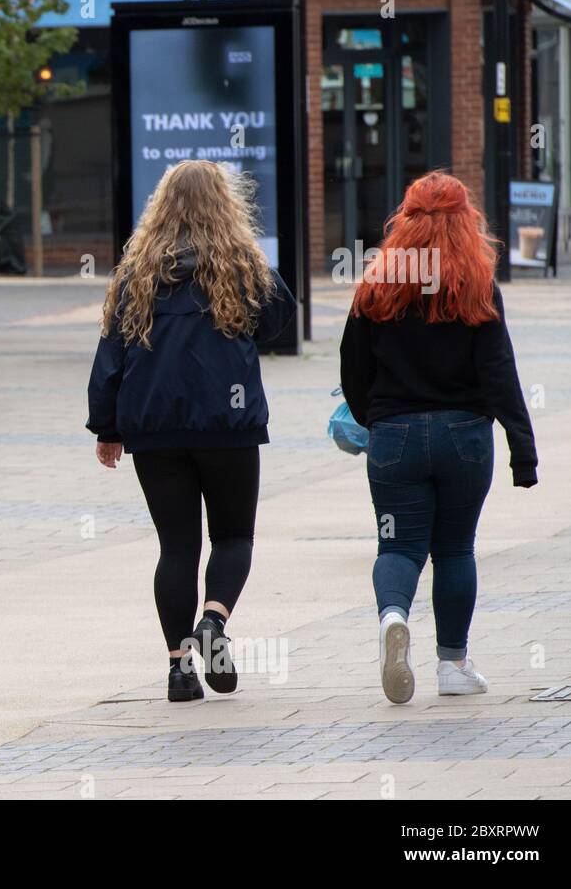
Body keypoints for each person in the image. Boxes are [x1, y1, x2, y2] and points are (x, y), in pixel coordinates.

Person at [86, 160, 295, 703]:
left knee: (176, 546)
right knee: (233, 536)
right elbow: (278, 322)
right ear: (225, 205)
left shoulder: (137, 272)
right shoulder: (243, 265)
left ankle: (180, 671)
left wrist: (106, 426)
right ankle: (214, 622)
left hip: (154, 430)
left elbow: (110, 355)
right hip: (228, 427)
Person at [339, 171, 538, 705]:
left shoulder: (378, 282)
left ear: (404, 218)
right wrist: (523, 448)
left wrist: (375, 420)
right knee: (455, 548)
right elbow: (500, 372)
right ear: (464, 220)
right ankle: (452, 663)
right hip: (465, 438)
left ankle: (392, 618)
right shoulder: (476, 282)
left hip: (394, 438)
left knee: (398, 545)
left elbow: (352, 367)